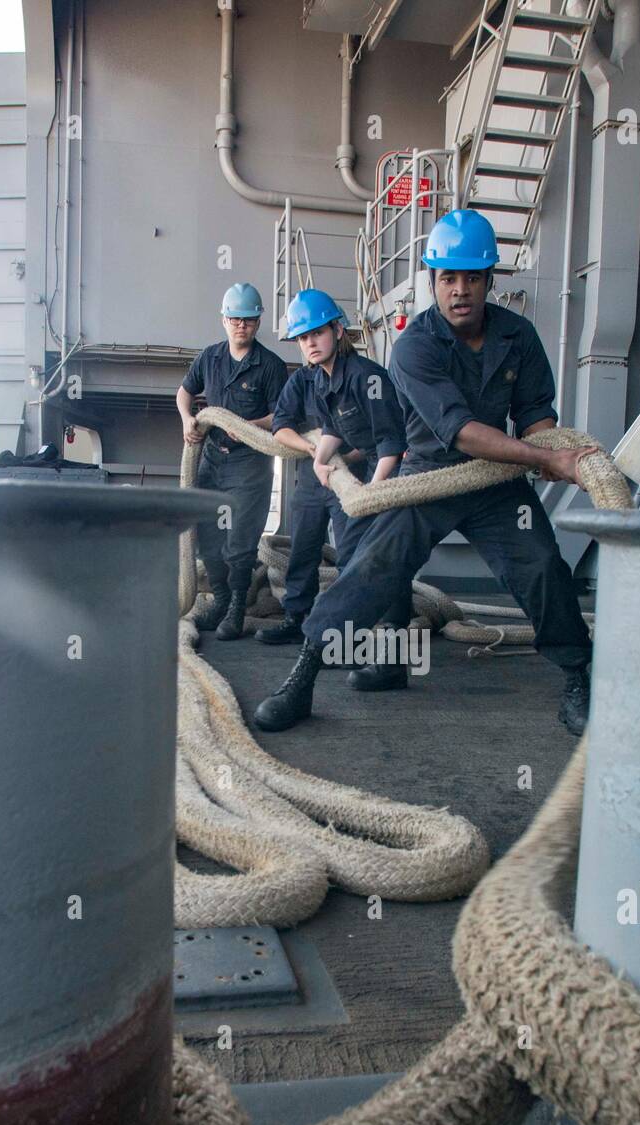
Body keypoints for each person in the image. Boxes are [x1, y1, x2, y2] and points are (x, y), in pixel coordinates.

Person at [254, 209, 597, 737]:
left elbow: (534, 413)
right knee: (371, 567)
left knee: (543, 567)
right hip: (427, 477)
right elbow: (456, 429)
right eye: (447, 278)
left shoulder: (519, 335)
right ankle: (306, 677)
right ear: (432, 281)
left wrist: (547, 444)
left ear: (489, 280)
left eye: (472, 278)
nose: (460, 290)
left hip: (497, 482)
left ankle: (578, 677)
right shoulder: (414, 345)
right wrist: (547, 460)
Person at [254, 291, 368, 646]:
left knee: (352, 555)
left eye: (316, 333)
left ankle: (348, 633)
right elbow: (281, 426)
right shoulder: (302, 381)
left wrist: (343, 461)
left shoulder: (364, 376)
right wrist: (312, 449)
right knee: (303, 550)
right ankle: (296, 618)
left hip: (352, 478)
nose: (310, 343)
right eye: (303, 337)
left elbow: (387, 435)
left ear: (337, 330)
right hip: (311, 479)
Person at [176, 282, 288, 640]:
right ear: (224, 320)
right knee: (208, 536)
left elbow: (282, 415)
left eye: (249, 320)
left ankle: (238, 606)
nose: (242, 325)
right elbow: (184, 392)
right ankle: (221, 599)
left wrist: (250, 427)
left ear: (258, 322)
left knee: (239, 543)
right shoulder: (209, 357)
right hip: (211, 461)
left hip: (250, 465)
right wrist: (187, 419)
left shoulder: (270, 366)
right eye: (236, 319)